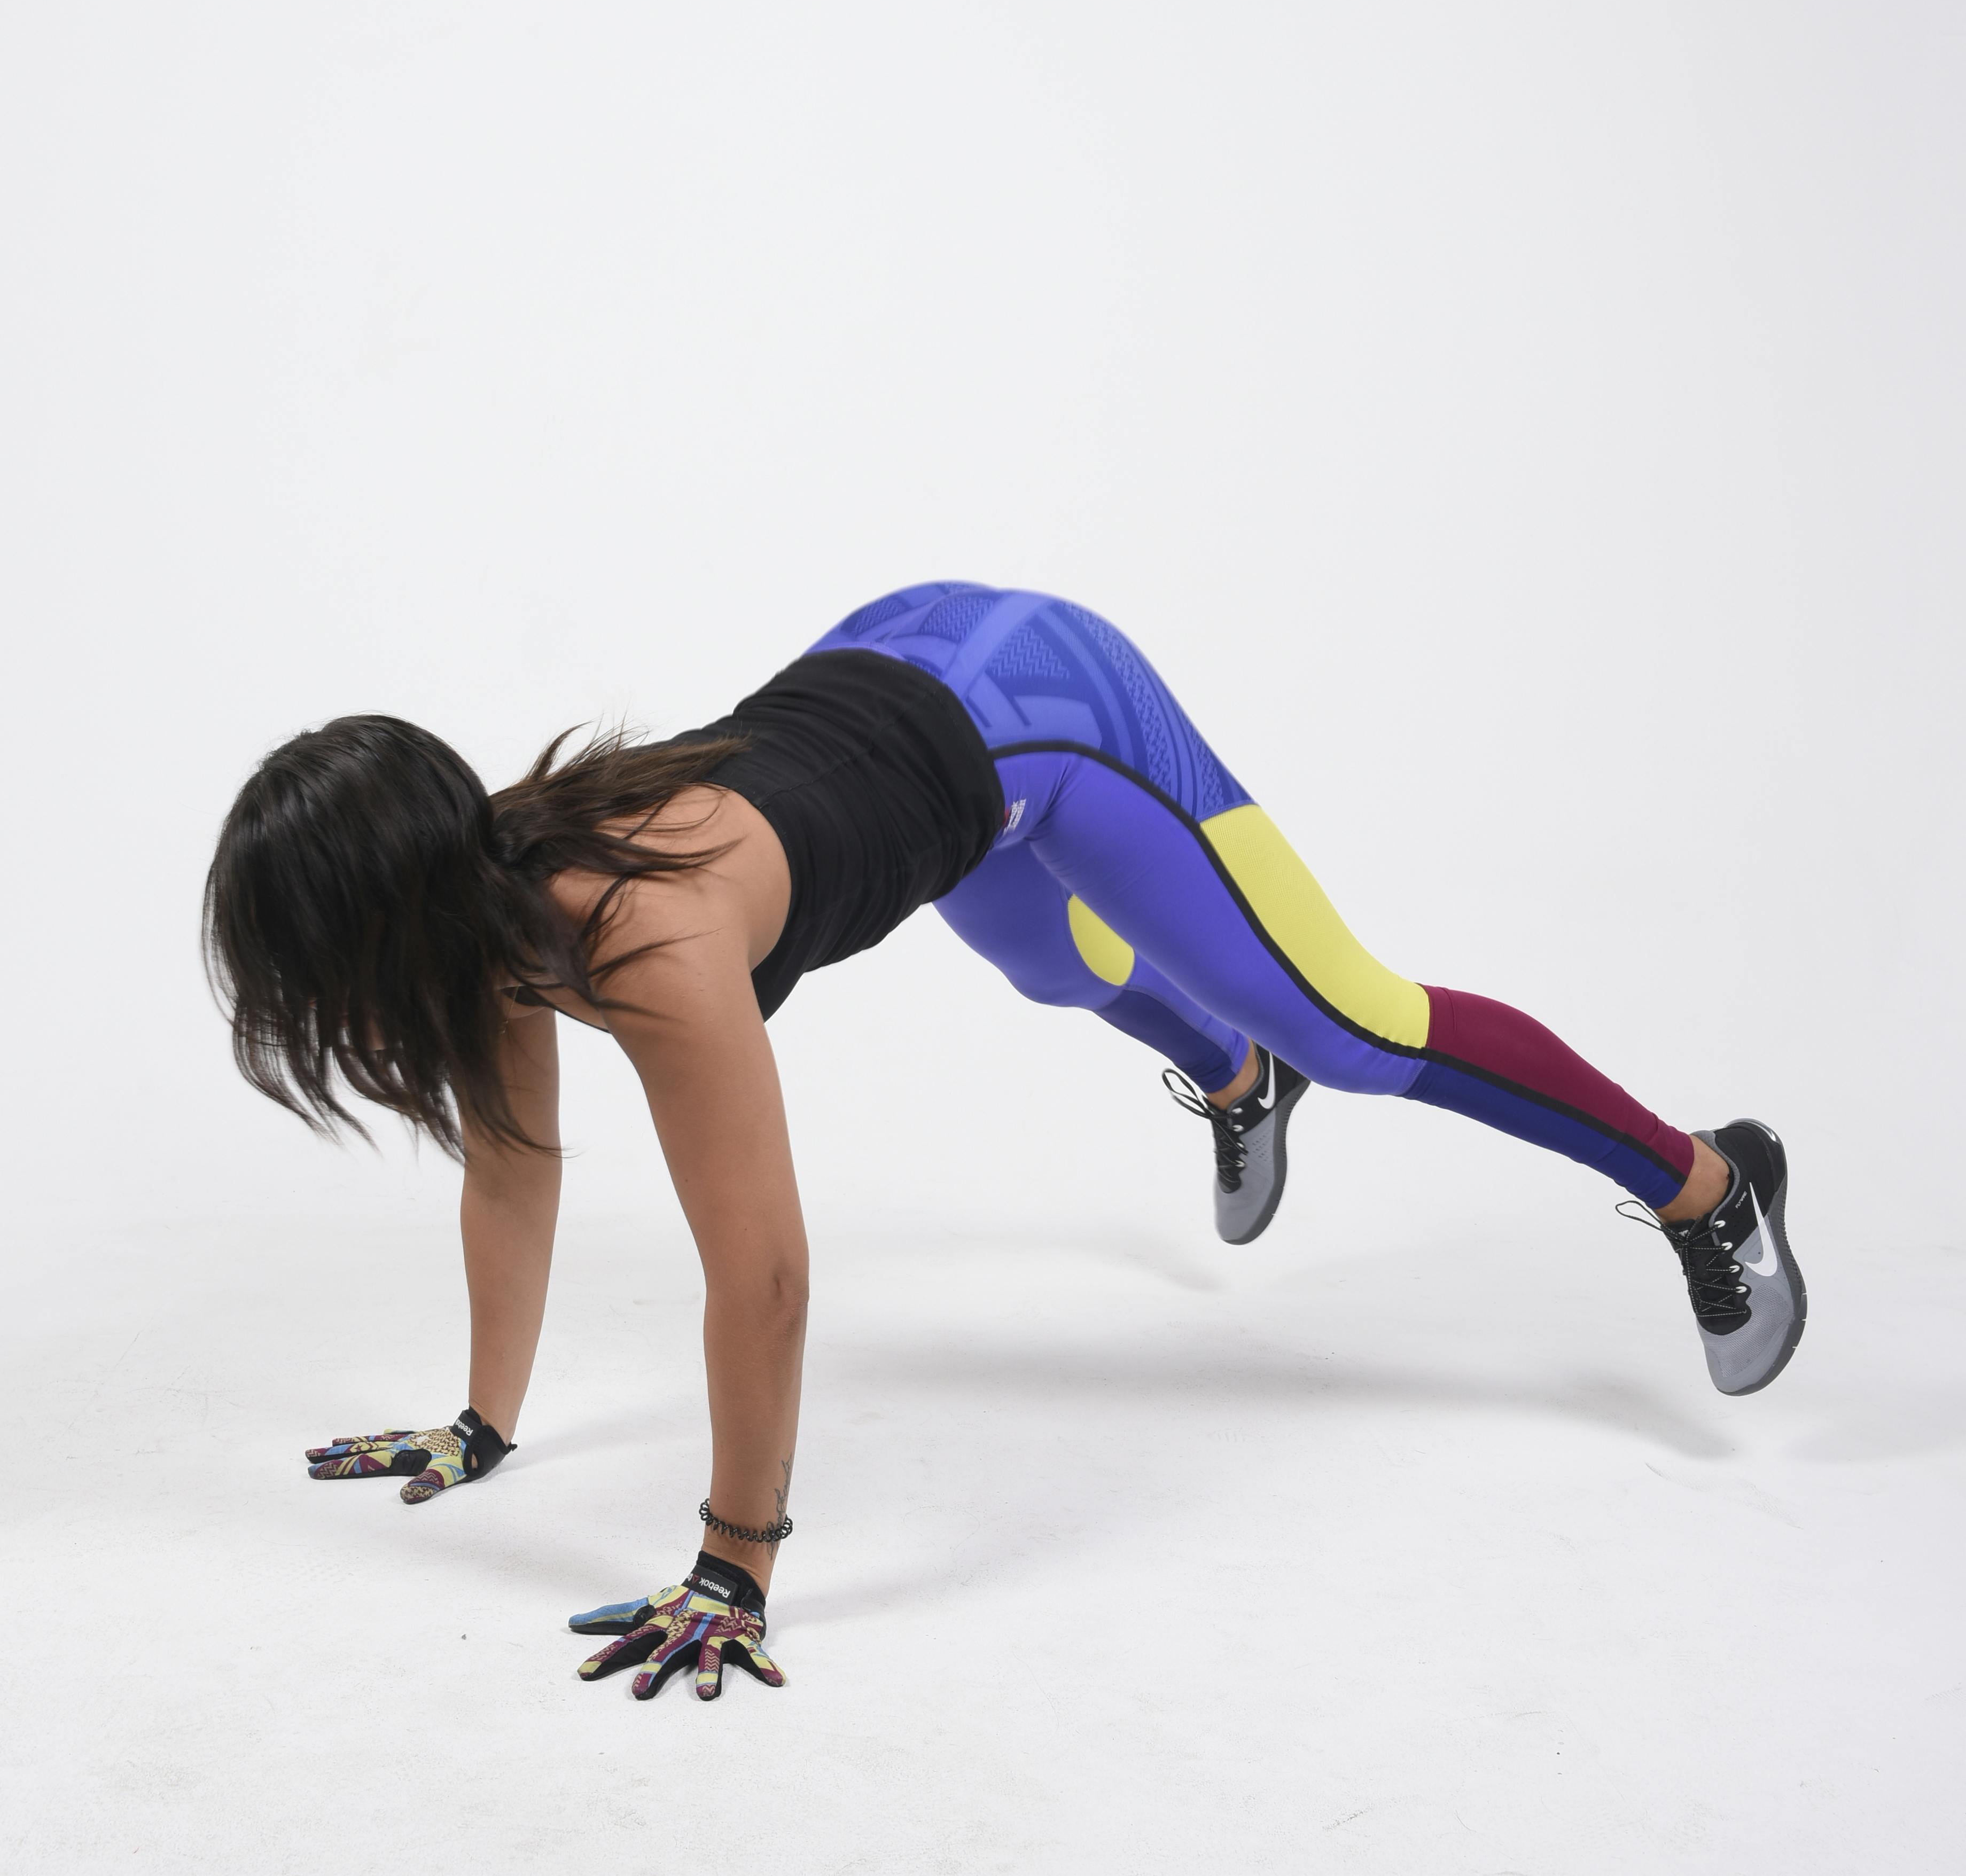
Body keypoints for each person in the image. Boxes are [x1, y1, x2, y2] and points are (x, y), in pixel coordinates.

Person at [204, 580, 1803, 1705]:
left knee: (1357, 1024)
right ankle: (1239, 1084)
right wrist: (481, 1426)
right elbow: (512, 1160)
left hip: (1048, 709)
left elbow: (760, 1279)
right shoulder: (475, 909)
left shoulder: (648, 947)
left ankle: (1709, 1182)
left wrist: (735, 1564)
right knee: (1052, 964)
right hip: (898, 675)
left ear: (381, 924)